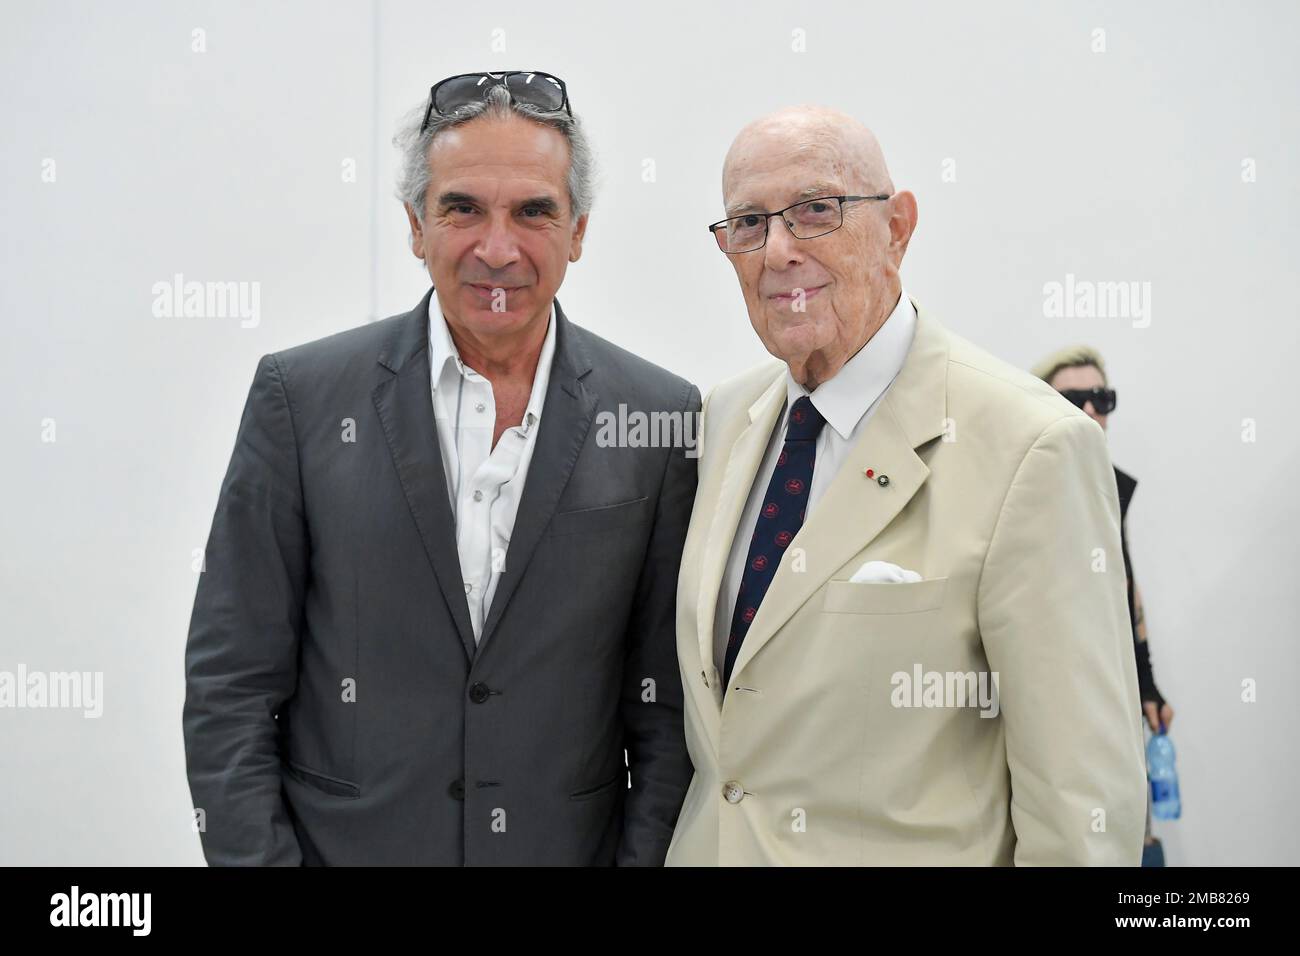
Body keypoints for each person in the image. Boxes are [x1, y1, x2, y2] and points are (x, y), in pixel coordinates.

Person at [183, 71, 697, 865]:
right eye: (462, 208)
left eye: (534, 211)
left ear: (579, 231)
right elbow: (231, 689)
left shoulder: (659, 417)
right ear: (416, 227)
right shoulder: (302, 399)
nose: (498, 248)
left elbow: (667, 718)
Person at [666, 106, 1146, 865]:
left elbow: (1083, 809)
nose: (778, 250)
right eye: (749, 223)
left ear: (897, 227)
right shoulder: (727, 417)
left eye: (815, 210)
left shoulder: (1033, 446)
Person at [1032, 345, 1176, 867]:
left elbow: (1125, 590)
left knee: (1129, 834)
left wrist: (1148, 683)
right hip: (1044, 702)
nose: (1092, 410)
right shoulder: (1021, 485)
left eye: (1102, 398)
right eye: (1074, 398)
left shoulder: (1111, 487)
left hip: (1110, 695)